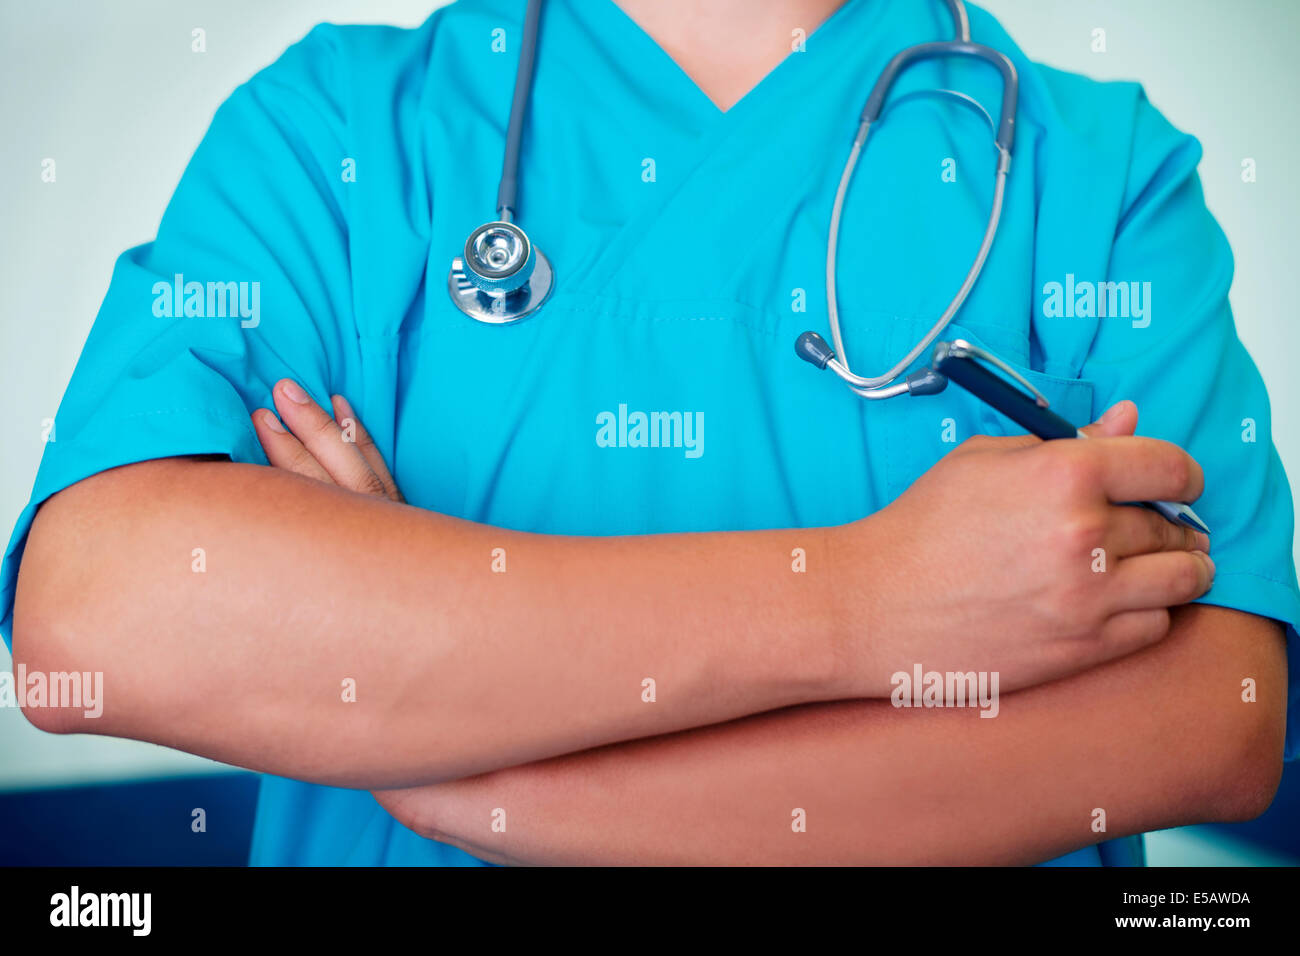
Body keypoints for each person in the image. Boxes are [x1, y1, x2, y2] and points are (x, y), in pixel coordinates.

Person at [4, 0, 1296, 866]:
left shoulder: (1099, 169)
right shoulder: (340, 130)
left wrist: (475, 784)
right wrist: (870, 600)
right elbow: (103, 612)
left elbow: (1219, 713)